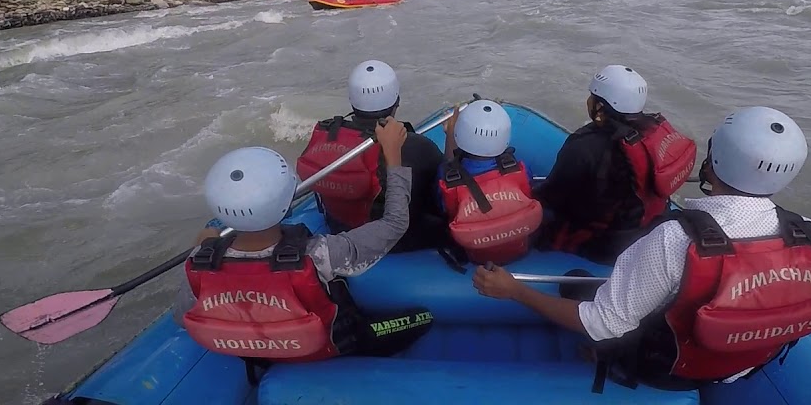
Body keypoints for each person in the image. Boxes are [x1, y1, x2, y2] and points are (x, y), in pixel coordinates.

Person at [473, 107, 811, 391]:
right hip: (741, 366)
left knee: (576, 283)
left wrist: (515, 290)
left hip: (665, 371)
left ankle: (608, 360)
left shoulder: (675, 241)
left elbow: (600, 323)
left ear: (713, 160)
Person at [175, 132, 433, 370]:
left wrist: (204, 246)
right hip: (331, 348)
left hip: (261, 354)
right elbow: (395, 223)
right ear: (287, 205)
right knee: (423, 318)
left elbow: (181, 317)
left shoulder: (199, 261)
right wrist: (393, 156)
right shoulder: (320, 253)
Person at [534, 65, 698, 264]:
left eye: (592, 96)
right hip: (649, 226)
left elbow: (552, 196)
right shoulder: (653, 131)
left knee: (536, 224)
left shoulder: (584, 147)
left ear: (601, 106)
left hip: (607, 244)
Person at [295, 60, 447, 252]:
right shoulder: (419, 147)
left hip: (340, 229)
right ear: (396, 100)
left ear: (352, 100)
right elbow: (445, 191)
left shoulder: (329, 136)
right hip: (396, 240)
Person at [438, 100, 541, 265]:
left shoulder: (447, 179)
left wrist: (450, 136)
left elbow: (443, 205)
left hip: (473, 253)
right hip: (520, 246)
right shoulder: (518, 167)